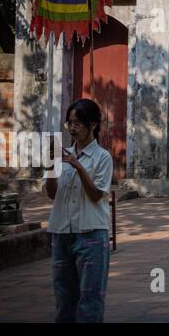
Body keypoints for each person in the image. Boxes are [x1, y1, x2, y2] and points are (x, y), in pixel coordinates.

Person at [45, 98, 114, 323]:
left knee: (90, 298)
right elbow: (52, 193)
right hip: (61, 231)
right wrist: (52, 167)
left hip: (91, 233)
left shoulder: (102, 157)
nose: (72, 128)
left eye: (78, 123)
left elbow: (96, 194)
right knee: (64, 298)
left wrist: (77, 165)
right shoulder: (63, 155)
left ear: (93, 125)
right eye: (69, 123)